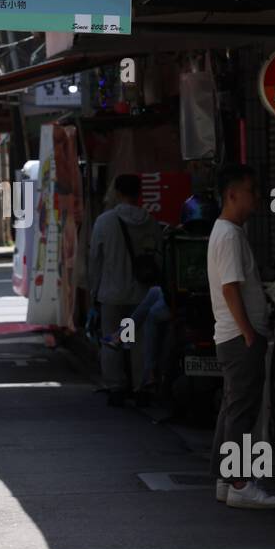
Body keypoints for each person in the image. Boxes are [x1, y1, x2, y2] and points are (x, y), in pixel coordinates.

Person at [208, 164, 275, 510]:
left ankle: (228, 479)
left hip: (234, 336)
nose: (257, 199)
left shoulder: (226, 232)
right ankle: (239, 482)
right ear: (232, 194)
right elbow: (230, 288)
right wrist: (249, 332)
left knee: (233, 407)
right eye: (251, 191)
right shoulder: (229, 235)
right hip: (240, 337)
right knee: (242, 410)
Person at [88, 173, 163, 406]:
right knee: (139, 340)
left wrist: (94, 292)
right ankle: (141, 387)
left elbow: (95, 260)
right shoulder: (150, 222)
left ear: (118, 193)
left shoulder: (104, 221)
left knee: (113, 339)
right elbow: (159, 257)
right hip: (142, 294)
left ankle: (116, 387)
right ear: (138, 193)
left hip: (112, 294)